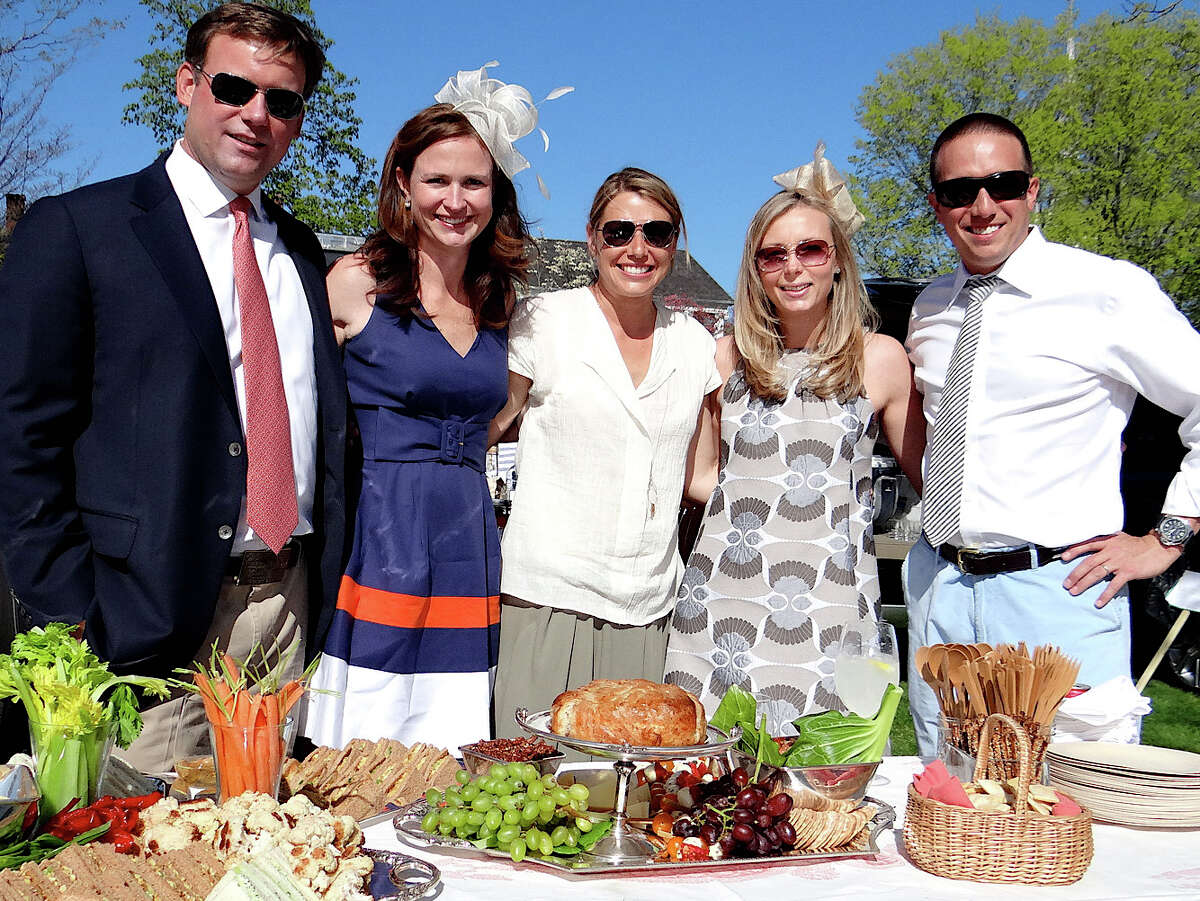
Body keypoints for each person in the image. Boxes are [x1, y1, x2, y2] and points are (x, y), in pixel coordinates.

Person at [0, 3, 346, 772]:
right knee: (136, 865)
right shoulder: (78, 229)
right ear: (188, 82)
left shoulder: (298, 251)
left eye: (281, 101)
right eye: (233, 87)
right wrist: (71, 615)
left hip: (283, 614)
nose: (256, 114)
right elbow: (21, 439)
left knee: (261, 862)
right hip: (137, 625)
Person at [904, 112, 1200, 755]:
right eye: (959, 191)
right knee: (949, 809)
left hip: (1054, 593)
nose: (982, 205)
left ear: (1032, 191)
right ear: (937, 205)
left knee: (1068, 815)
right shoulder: (930, 309)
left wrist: (1169, 537)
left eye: (1002, 183)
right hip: (939, 590)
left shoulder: (1106, 291)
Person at [302, 63, 548, 752]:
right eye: (437, 180)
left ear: (495, 193)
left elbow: (511, 415)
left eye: (474, 182)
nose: (455, 198)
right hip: (375, 531)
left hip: (467, 534)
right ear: (404, 185)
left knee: (453, 736)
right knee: (366, 742)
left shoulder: (505, 306)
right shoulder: (356, 283)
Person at [664, 146, 924, 722]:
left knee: (828, 785)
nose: (793, 267)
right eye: (773, 254)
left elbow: (930, 479)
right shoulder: (725, 357)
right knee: (714, 789)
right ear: (755, 268)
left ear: (838, 261)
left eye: (811, 249)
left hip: (837, 605)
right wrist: (773, 510)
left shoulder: (880, 359)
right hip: (723, 601)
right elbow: (703, 477)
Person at [490, 168, 721, 736]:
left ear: (676, 243)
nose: (637, 248)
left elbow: (704, 477)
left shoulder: (695, 345)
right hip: (548, 600)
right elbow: (488, 427)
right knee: (532, 792)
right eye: (619, 231)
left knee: (633, 803)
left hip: (648, 612)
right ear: (592, 236)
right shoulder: (543, 321)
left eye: (657, 233)